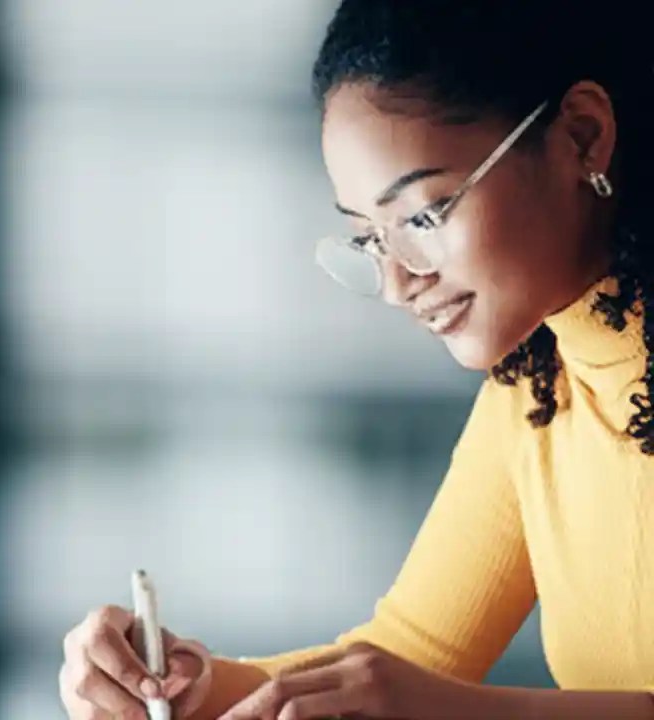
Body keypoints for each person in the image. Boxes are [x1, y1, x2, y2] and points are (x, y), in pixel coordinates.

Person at [59, 1, 654, 718]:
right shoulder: (540, 389)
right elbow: (410, 651)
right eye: (370, 238)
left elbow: (412, 692)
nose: (399, 281)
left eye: (425, 216)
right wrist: (182, 685)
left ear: (583, 137)